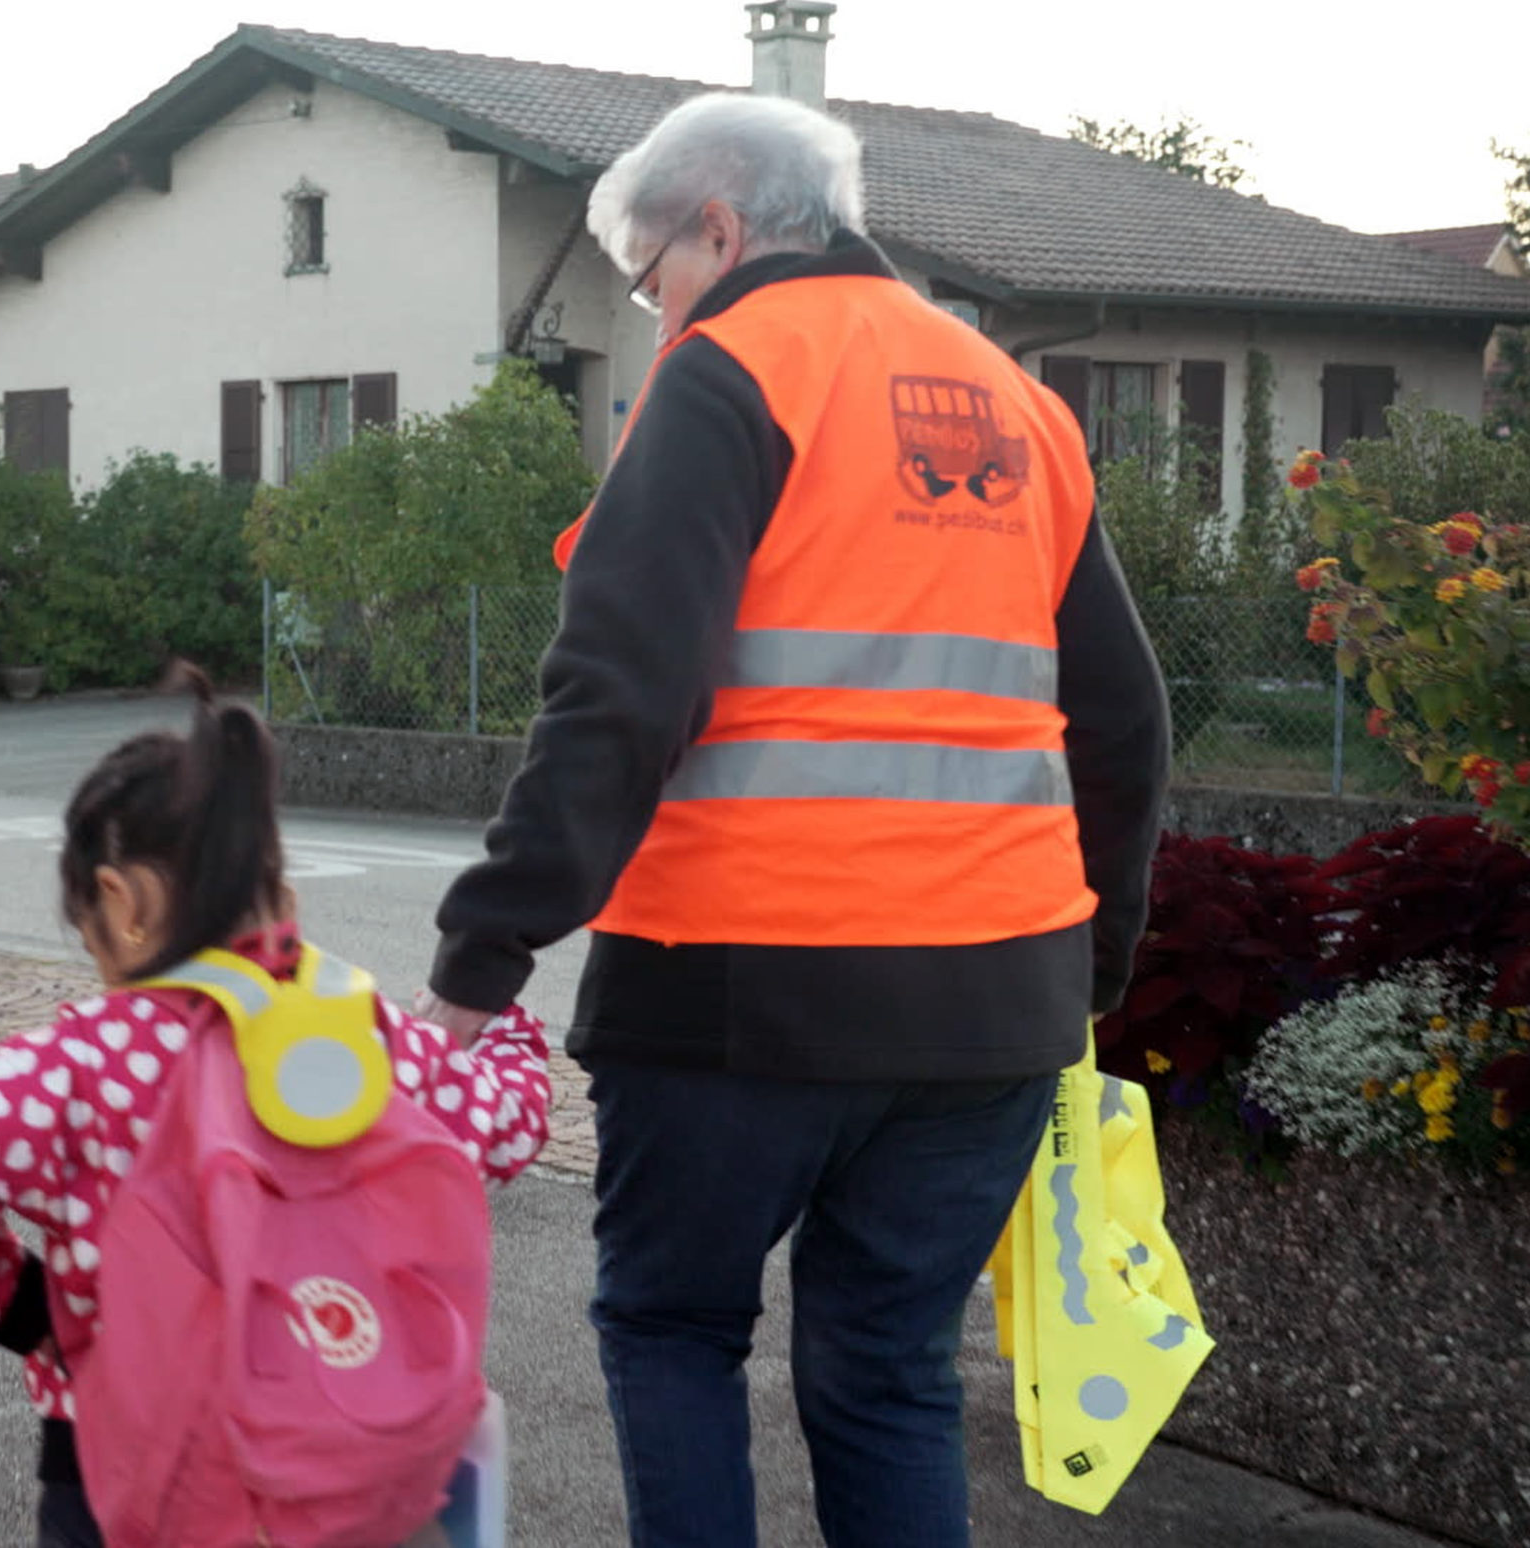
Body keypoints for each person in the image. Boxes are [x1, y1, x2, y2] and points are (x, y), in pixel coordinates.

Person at [416, 93, 1170, 1548]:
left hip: (738, 990)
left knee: (674, 1328)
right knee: (888, 1373)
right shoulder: (1018, 401)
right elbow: (1126, 724)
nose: (653, 318)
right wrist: (1090, 967)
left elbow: (622, 697)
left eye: (650, 282)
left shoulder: (727, 375)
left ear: (718, 225)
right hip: (996, 1006)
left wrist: (483, 949)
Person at [0, 682, 549, 1548]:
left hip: (119, 1453)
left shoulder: (83, 1061)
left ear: (121, 904)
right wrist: (504, 1025)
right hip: (341, 1450)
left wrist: (23, 1311)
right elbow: (510, 1124)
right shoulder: (360, 1034)